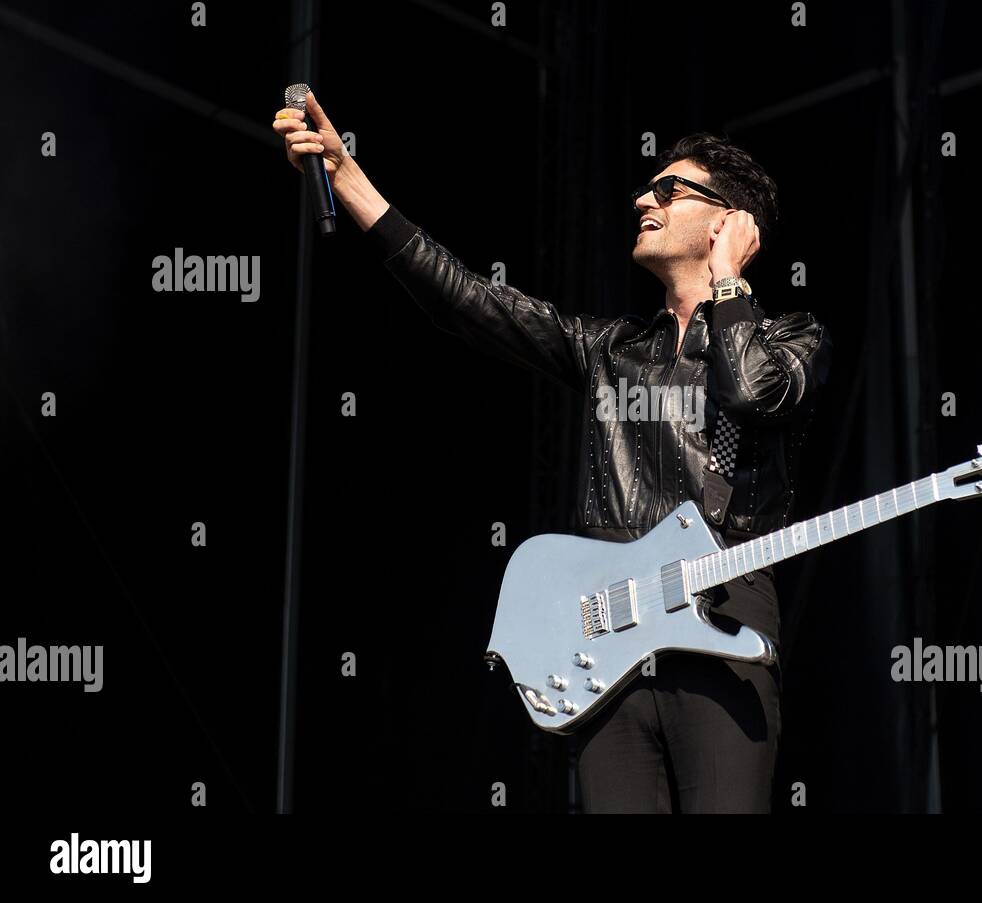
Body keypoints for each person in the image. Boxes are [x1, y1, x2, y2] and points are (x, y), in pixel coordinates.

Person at [273, 93, 831, 813]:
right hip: (614, 641)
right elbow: (466, 300)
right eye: (645, 187)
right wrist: (347, 173)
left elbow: (751, 391)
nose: (643, 199)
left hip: (724, 636)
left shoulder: (795, 337)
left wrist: (729, 284)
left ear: (728, 220)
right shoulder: (609, 347)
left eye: (668, 189)